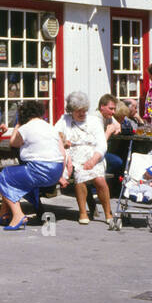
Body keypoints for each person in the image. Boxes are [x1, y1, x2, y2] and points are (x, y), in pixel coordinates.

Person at [0, 100, 70, 231]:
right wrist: (60, 176)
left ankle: (18, 215)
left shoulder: (26, 128)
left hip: (39, 170)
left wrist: (17, 126)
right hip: (56, 171)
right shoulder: (51, 128)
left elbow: (13, 143)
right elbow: (62, 154)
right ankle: (4, 214)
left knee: (5, 176)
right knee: (16, 178)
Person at [55, 91, 112, 225]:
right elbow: (54, 134)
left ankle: (108, 213)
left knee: (99, 179)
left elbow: (102, 144)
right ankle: (83, 212)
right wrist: (63, 142)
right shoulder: (65, 120)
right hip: (75, 156)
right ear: (71, 110)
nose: (82, 114)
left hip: (95, 155)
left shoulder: (94, 121)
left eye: (84, 111)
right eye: (78, 111)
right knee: (80, 177)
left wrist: (93, 160)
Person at [96, 93, 126, 186]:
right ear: (102, 107)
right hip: (92, 154)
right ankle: (97, 186)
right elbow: (98, 145)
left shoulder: (107, 116)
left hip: (101, 152)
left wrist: (116, 127)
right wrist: (108, 132)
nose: (113, 112)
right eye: (111, 109)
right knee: (117, 161)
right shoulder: (95, 120)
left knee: (122, 158)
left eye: (114, 109)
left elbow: (118, 126)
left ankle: (111, 187)